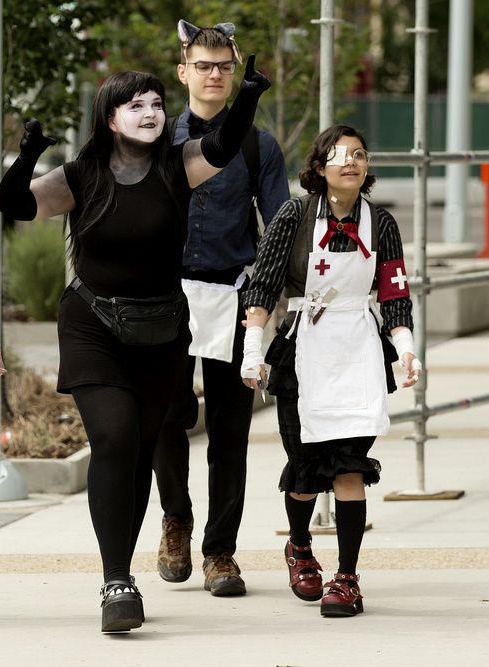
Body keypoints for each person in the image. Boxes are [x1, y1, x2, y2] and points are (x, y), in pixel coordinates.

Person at [0, 60, 270, 633]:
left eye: (155, 103)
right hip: (93, 324)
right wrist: (27, 155)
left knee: (141, 453)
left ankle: (123, 571)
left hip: (162, 329)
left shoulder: (180, 166)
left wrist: (247, 93)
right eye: (136, 105)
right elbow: (15, 205)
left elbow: (222, 143)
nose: (150, 114)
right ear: (111, 117)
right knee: (116, 436)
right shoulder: (80, 175)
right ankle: (116, 577)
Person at [241, 125, 420, 618]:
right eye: (340, 156)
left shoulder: (380, 223)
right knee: (304, 470)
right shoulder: (294, 216)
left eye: (359, 155)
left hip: (358, 350)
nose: (351, 163)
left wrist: (405, 347)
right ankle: (299, 546)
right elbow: (262, 286)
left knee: (349, 466)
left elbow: (395, 294)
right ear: (319, 168)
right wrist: (252, 349)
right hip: (303, 347)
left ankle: (347, 578)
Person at [153, 19, 290, 598]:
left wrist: (269, 297)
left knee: (231, 429)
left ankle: (221, 551)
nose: (214, 75)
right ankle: (176, 520)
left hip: (236, 297)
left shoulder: (258, 142)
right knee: (165, 417)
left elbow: (281, 224)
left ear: (235, 76)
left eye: (223, 67)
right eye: (203, 65)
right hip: (165, 295)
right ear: (183, 71)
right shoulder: (156, 137)